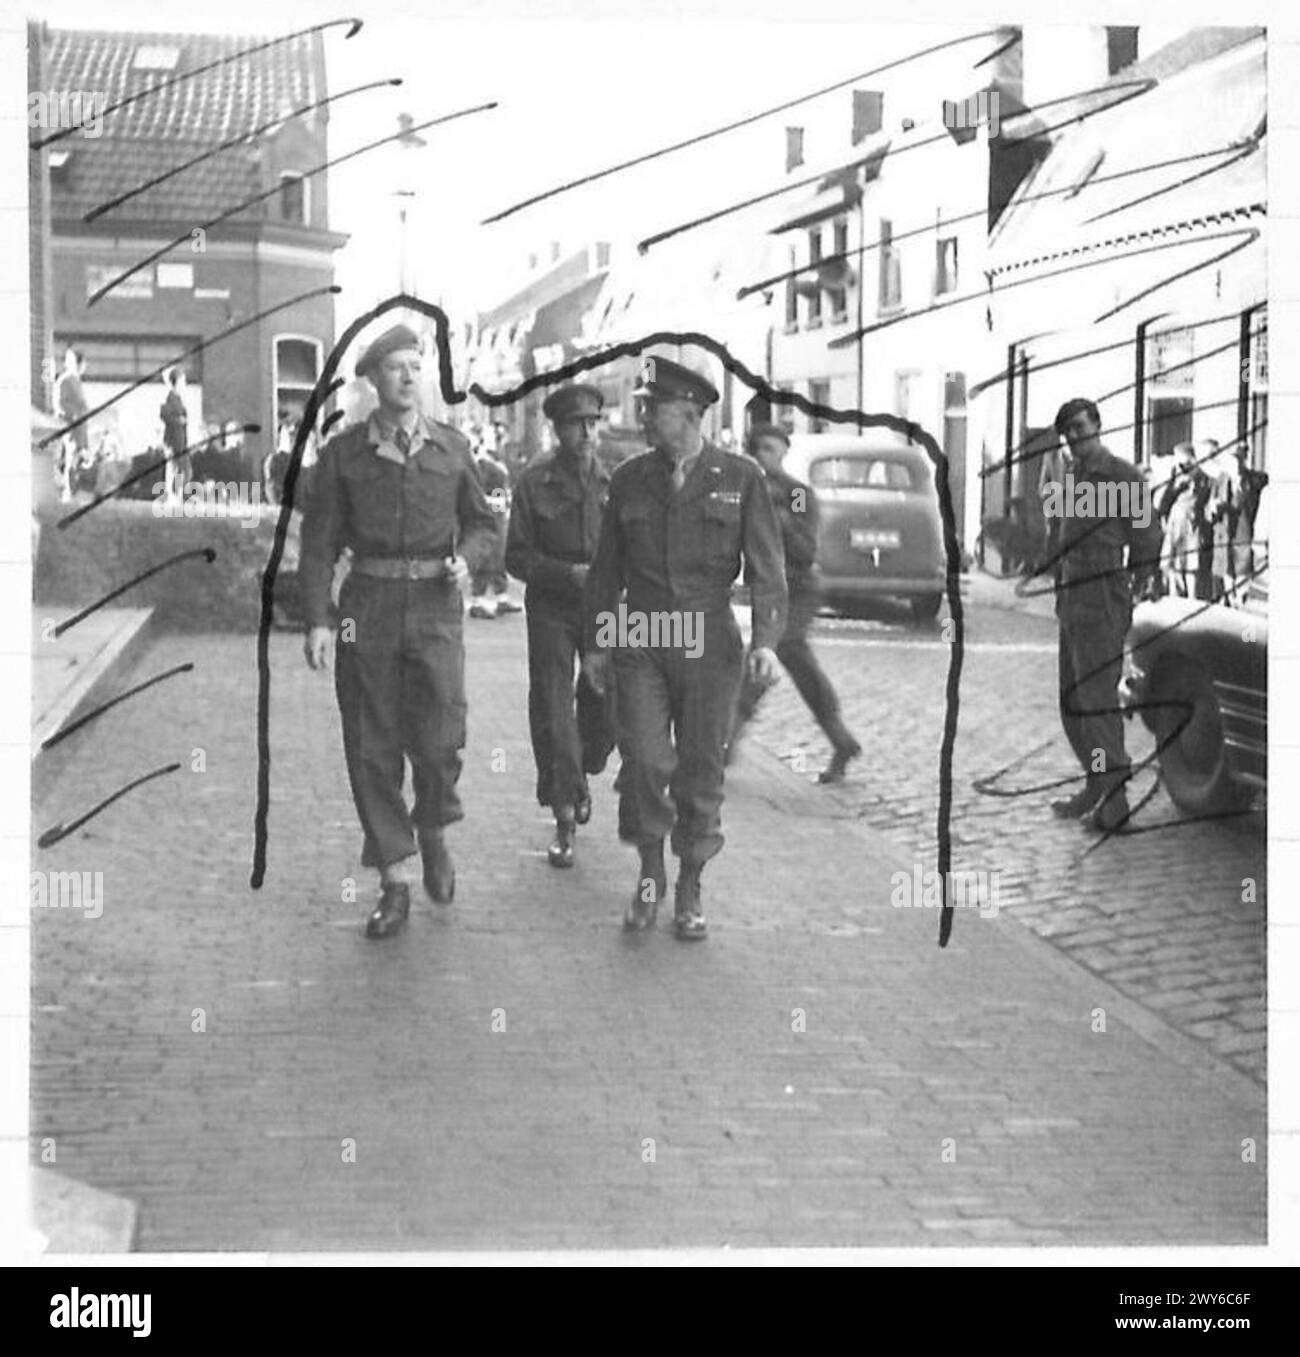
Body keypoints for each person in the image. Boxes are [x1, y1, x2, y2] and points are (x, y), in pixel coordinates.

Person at [300, 324, 498, 940]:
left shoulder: (452, 448)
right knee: (371, 742)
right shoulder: (343, 455)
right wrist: (318, 619)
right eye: (395, 367)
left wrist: (471, 555)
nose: (409, 376)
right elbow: (318, 544)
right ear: (373, 381)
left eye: (416, 365)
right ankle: (394, 878)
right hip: (369, 606)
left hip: (436, 604)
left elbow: (486, 525)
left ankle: (433, 826)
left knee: (441, 738)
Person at [582, 356, 787, 939]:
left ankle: (691, 880)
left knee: (700, 767)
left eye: (655, 408)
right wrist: (596, 644)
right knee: (645, 762)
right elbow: (605, 572)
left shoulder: (740, 478)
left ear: (691, 415)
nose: (643, 416)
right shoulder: (628, 479)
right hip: (643, 636)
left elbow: (769, 571)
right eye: (644, 406)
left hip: (708, 639)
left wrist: (767, 642)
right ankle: (651, 875)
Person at [506, 384, 617, 868]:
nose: (588, 432)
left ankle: (583, 771)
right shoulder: (534, 482)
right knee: (554, 708)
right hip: (551, 605)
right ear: (558, 429)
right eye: (577, 424)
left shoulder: (616, 481)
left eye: (594, 423)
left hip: (605, 607)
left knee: (604, 702)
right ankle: (565, 814)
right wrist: (563, 573)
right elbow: (515, 557)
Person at [1049, 398, 1162, 832]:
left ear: (1097, 425)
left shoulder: (1123, 477)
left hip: (1101, 600)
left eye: (1080, 427)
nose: (1075, 437)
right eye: (1068, 432)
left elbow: (1148, 537)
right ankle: (1096, 785)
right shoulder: (1071, 475)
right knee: (1073, 703)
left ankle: (1115, 805)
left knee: (1096, 705)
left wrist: (1129, 583)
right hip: (1071, 601)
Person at [728, 423, 862, 782]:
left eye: (771, 450)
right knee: (796, 661)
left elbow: (806, 548)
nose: (764, 457)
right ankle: (840, 739)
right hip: (767, 590)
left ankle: (728, 738)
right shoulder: (742, 489)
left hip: (798, 590)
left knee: (771, 650)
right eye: (758, 450)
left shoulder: (796, 494)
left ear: (783, 453)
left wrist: (779, 515)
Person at [467, 437, 519, 618]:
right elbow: (486, 494)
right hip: (490, 517)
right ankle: (478, 599)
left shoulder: (494, 465)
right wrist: (497, 510)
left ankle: (500, 596)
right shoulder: (484, 466)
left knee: (498, 557)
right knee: (487, 558)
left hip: (496, 514)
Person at [160, 368, 189, 504]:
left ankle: (176, 495)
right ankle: (172, 495)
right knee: (174, 468)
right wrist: (179, 420)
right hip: (173, 438)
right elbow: (165, 415)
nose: (184, 384)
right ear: (176, 382)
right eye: (182, 381)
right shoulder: (170, 398)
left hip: (179, 438)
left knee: (177, 468)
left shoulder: (178, 398)